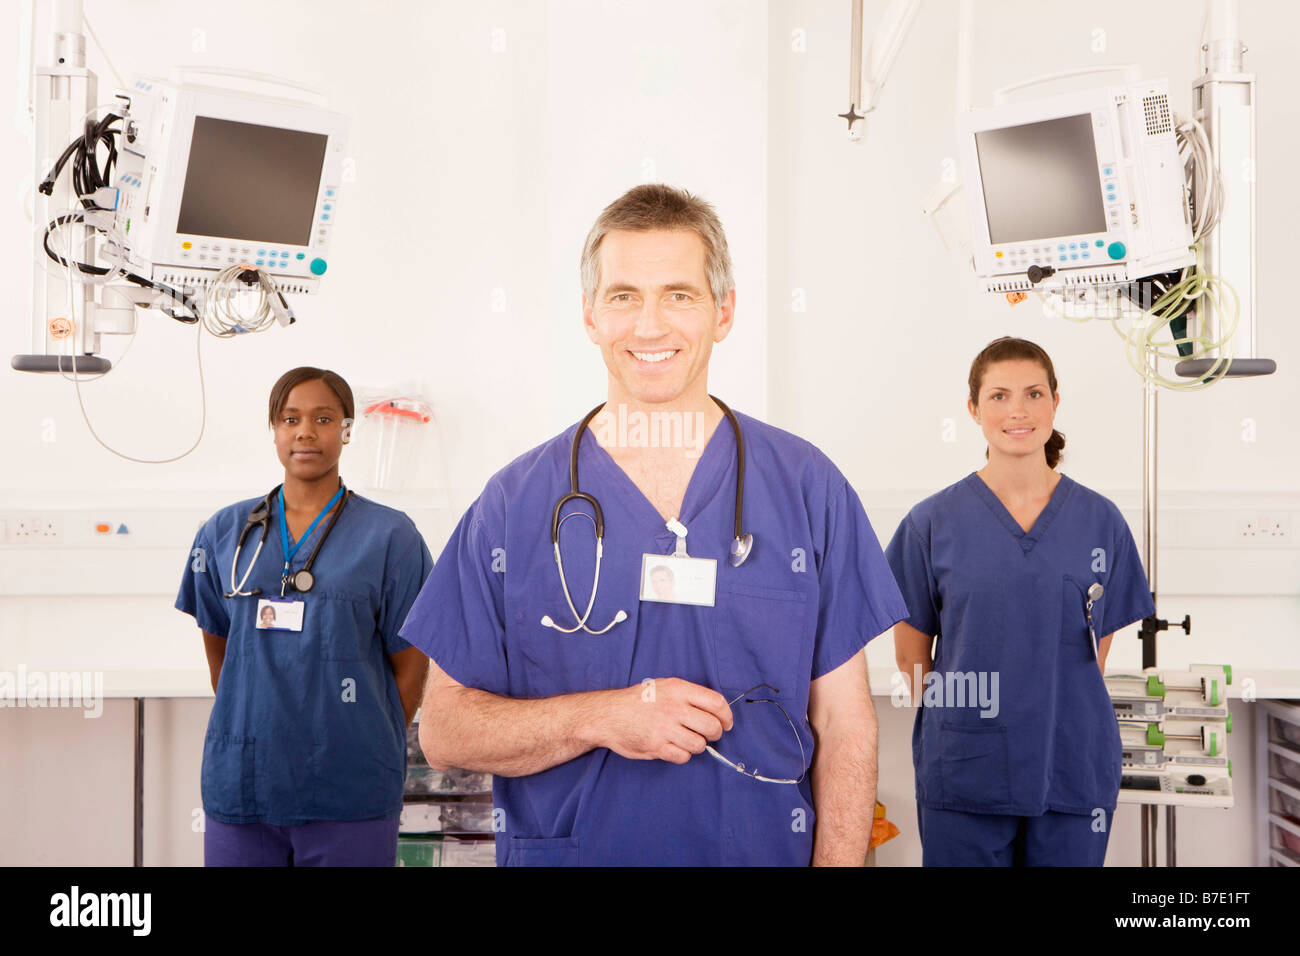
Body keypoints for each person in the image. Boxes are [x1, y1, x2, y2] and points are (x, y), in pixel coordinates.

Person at [399, 184, 907, 866]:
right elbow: (445, 730)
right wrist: (603, 717)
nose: (649, 326)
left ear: (723, 312)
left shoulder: (807, 487)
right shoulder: (514, 504)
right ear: (590, 316)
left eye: (679, 295)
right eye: (623, 296)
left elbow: (844, 722)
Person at [885, 337, 1154, 866]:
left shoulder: (1100, 522)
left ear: (1055, 402)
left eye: (1033, 394)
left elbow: (1093, 658)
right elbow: (911, 661)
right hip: (966, 772)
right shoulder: (930, 524)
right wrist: (966, 731)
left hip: (1069, 763)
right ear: (973, 408)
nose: (1018, 411)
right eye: (999, 396)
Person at [175, 367, 433, 866]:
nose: (306, 432)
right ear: (274, 430)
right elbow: (220, 651)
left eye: (324, 418)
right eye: (290, 419)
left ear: (347, 430)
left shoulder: (391, 537)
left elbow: (411, 663)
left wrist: (363, 734)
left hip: (350, 788)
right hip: (244, 782)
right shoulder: (224, 532)